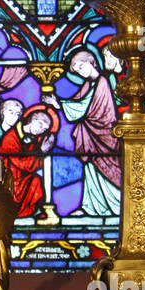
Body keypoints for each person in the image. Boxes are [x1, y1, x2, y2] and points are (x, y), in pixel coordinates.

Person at [49, 45, 122, 218]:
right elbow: (78, 101)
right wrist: (62, 104)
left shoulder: (102, 82)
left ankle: (119, 206)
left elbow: (85, 107)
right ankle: (92, 207)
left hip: (104, 135)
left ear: (92, 62)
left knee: (106, 168)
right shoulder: (90, 84)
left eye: (81, 67)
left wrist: (59, 104)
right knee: (91, 170)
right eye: (76, 71)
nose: (80, 73)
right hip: (91, 136)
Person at [0, 102, 57, 217]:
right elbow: (24, 164)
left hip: (22, 179)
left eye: (44, 129)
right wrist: (42, 152)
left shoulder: (34, 138)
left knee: (36, 182)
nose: (41, 131)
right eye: (40, 125)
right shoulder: (11, 138)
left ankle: (35, 211)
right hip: (5, 179)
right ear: (32, 120)